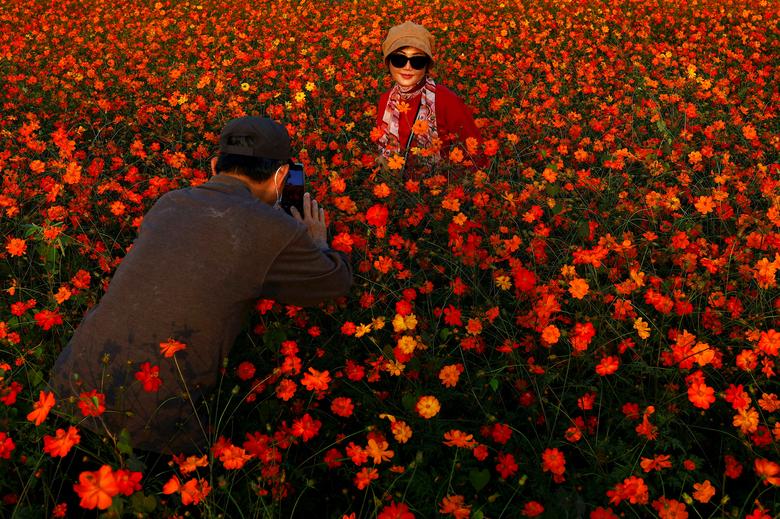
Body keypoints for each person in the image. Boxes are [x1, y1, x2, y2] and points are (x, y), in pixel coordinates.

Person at [50, 116, 352, 455]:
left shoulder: (169, 201)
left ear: (214, 165)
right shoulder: (274, 229)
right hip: (150, 431)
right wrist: (317, 242)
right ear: (282, 175)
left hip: (67, 393)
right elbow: (334, 283)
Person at [376, 21, 482, 163]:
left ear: (426, 66)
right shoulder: (385, 101)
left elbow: (475, 155)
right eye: (399, 59)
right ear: (388, 62)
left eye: (417, 61)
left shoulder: (447, 101)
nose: (407, 67)